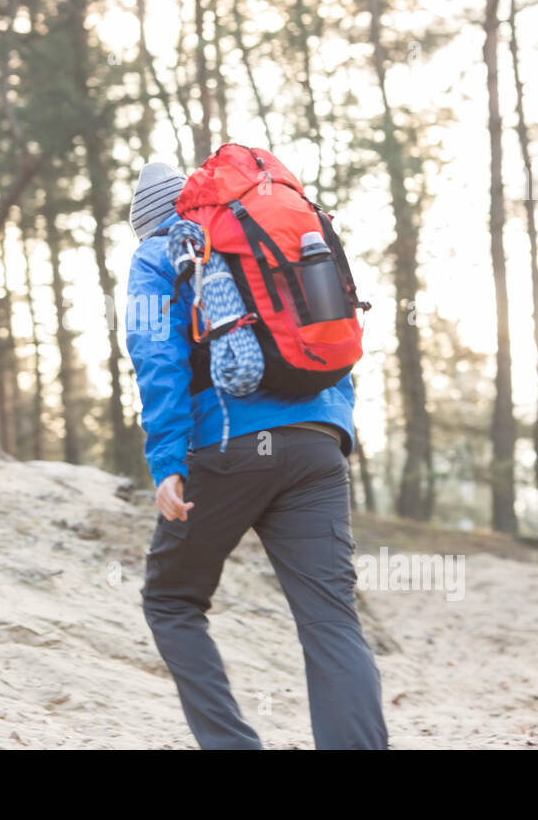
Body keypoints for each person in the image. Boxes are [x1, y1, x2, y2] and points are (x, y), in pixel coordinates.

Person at [124, 161, 389, 749]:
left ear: (146, 225)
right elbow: (333, 339)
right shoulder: (273, 240)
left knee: (171, 599)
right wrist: (332, 430)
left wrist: (167, 462)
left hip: (228, 444)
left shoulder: (156, 255)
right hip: (319, 443)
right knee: (330, 618)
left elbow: (157, 357)